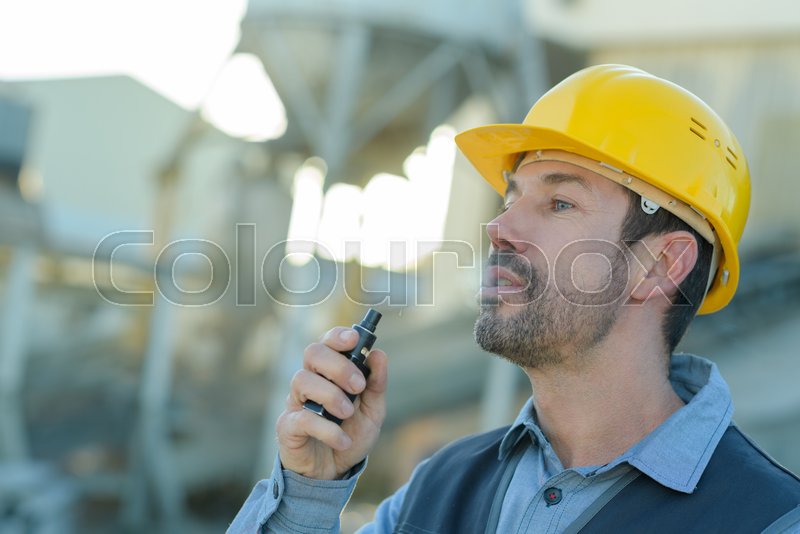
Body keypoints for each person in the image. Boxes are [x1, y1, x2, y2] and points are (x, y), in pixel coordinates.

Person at [228, 65, 800, 533]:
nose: (499, 227)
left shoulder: (768, 520)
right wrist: (307, 495)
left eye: (560, 204)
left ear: (660, 264)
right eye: (512, 196)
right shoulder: (439, 491)